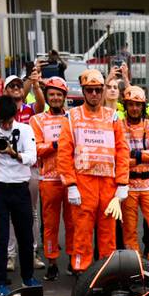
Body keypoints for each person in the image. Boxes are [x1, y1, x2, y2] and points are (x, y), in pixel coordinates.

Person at [58, 69, 130, 274]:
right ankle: (82, 271)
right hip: (83, 183)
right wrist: (71, 185)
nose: (94, 94)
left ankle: (107, 273)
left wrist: (123, 183)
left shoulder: (113, 116)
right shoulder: (72, 116)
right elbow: (64, 153)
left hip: (108, 183)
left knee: (108, 232)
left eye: (98, 90)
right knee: (82, 229)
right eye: (90, 90)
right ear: (83, 91)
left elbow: (122, 150)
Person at [0, 93, 39, 296]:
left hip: (20, 188)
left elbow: (32, 157)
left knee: (25, 235)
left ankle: (28, 277)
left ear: (16, 115)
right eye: (2, 122)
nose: (6, 126)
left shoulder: (26, 129)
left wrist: (13, 153)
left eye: (9, 122)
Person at [31, 76, 73, 280]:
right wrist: (56, 145)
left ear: (64, 96)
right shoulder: (37, 119)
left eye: (59, 94)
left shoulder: (73, 117)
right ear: (46, 97)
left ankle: (75, 261)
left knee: (73, 221)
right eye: (52, 94)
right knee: (51, 223)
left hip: (72, 178)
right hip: (49, 179)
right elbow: (36, 148)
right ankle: (52, 262)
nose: (55, 98)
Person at [119, 85, 149, 266]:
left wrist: (137, 155)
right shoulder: (118, 126)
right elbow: (119, 157)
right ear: (126, 105)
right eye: (131, 104)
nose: (134, 108)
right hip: (127, 184)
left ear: (143, 106)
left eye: (138, 105)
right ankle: (136, 265)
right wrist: (144, 155)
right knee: (129, 230)